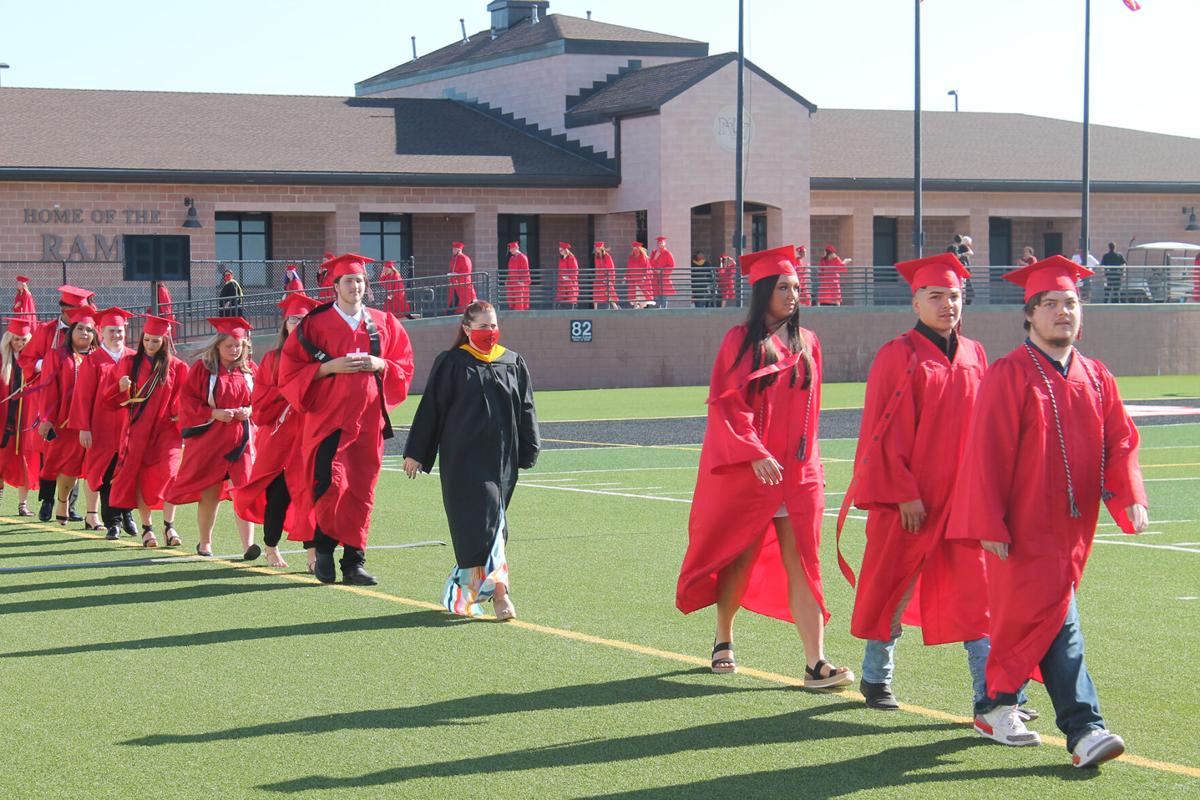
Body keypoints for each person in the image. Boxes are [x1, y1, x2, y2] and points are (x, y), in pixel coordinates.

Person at [949, 255, 1148, 768]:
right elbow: (985, 452)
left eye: (1071, 303)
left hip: (1074, 529)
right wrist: (987, 520)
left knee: (1033, 619)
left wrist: (1129, 495)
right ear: (1030, 314)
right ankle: (1085, 730)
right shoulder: (1010, 373)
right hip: (1021, 525)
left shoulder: (1096, 376)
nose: (1063, 312)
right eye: (1051, 304)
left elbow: (1121, 441)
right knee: (1058, 620)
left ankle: (995, 705)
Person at [841, 253, 1021, 716]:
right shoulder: (898, 354)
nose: (947, 305)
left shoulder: (975, 354)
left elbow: (987, 430)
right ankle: (876, 676)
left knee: (977, 598)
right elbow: (883, 431)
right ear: (915, 302)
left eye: (954, 296)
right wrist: (904, 492)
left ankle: (993, 695)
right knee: (893, 589)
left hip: (964, 502)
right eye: (936, 296)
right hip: (911, 503)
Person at [676, 245, 853, 689]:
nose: (792, 295)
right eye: (782, 288)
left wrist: (812, 465)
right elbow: (728, 404)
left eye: (796, 287)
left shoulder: (809, 342)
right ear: (762, 292)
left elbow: (812, 413)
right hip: (753, 471)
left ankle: (816, 663)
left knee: (806, 564)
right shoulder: (739, 341)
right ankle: (723, 637)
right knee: (740, 556)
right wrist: (753, 451)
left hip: (799, 473)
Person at [278, 253, 414, 585]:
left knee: (362, 489)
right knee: (331, 485)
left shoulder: (383, 322)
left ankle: (354, 561)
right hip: (329, 421)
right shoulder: (315, 324)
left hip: (368, 422)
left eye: (360, 281)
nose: (356, 286)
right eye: (349, 281)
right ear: (335, 286)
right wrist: (328, 367)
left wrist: (380, 364)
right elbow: (290, 370)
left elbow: (403, 365)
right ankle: (324, 549)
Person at [403, 300, 540, 619]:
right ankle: (500, 596)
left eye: (493, 325)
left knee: (492, 525)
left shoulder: (511, 361)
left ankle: (464, 592)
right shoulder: (453, 362)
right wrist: (416, 452)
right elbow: (432, 408)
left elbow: (526, 407)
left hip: (501, 461)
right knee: (483, 528)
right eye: (482, 326)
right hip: (463, 461)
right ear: (466, 328)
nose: (490, 332)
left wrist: (529, 447)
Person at [233, 292, 322, 570]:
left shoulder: (320, 358)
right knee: (278, 495)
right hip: (278, 438)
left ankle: (313, 554)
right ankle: (271, 547)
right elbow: (260, 406)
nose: (298, 324)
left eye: (304, 319)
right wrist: (291, 389)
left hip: (310, 436)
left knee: (310, 494)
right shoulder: (273, 359)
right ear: (285, 324)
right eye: (293, 319)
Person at [165, 316, 259, 561]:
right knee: (210, 492)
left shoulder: (249, 369)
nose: (234, 350)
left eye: (238, 345)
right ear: (217, 345)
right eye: (229, 345)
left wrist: (249, 410)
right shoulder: (203, 369)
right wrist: (213, 413)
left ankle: (249, 545)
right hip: (210, 439)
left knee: (243, 489)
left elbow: (260, 399)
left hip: (241, 440)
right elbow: (186, 402)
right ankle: (205, 542)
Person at [103, 314, 188, 548]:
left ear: (165, 341)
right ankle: (147, 528)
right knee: (139, 476)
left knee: (170, 473)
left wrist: (179, 411)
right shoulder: (130, 363)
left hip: (166, 430)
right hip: (138, 429)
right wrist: (120, 387)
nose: (150, 345)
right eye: (147, 340)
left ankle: (169, 525)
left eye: (155, 341)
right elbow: (108, 400)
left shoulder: (177, 366)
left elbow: (185, 396)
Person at [22, 284, 95, 522]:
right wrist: (46, 366)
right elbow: (26, 359)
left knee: (75, 454)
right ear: (63, 309)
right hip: (49, 401)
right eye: (74, 310)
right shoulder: (46, 331)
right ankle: (47, 500)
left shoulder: (88, 331)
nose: (79, 316)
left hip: (78, 404)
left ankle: (69, 505)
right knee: (50, 453)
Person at [73, 307, 137, 539]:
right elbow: (83, 397)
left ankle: (127, 514)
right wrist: (84, 427)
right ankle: (113, 521)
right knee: (106, 473)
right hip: (102, 426)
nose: (116, 335)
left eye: (119, 331)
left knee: (127, 472)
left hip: (130, 426)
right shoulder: (93, 361)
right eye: (111, 331)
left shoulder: (134, 357)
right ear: (101, 332)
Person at [36, 305, 98, 526]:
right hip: (66, 422)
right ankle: (57, 502)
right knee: (61, 465)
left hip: (95, 422)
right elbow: (48, 389)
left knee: (93, 466)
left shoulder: (100, 358)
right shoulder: (57, 356)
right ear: (71, 332)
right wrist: (47, 418)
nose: (84, 333)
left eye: (89, 330)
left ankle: (91, 513)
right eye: (80, 328)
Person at [0, 315, 36, 515]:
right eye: (16, 339)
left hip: (25, 418)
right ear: (9, 339)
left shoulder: (32, 361)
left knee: (25, 459)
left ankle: (23, 505)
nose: (20, 343)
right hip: (4, 416)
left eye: (24, 340)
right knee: (1, 458)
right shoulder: (1, 359)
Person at [448, 241, 477, 314]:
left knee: (464, 302)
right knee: (454, 302)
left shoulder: (464, 258)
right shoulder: (453, 259)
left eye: (455, 249)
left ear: (459, 250)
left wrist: (456, 274)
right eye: (453, 249)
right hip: (455, 285)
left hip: (463, 284)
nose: (453, 251)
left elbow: (466, 271)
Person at [650, 236, 676, 308]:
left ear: (664, 244)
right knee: (656, 299)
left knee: (664, 299)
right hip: (655, 278)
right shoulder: (654, 252)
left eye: (661, 243)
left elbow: (671, 265)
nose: (660, 245)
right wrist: (655, 258)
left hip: (664, 279)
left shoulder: (667, 253)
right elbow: (649, 264)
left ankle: (664, 312)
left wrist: (662, 271)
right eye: (659, 243)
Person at [593, 242, 619, 310]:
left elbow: (610, 267)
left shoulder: (607, 256)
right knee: (596, 292)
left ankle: (615, 306)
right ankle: (595, 309)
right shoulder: (596, 256)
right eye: (596, 248)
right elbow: (597, 267)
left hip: (606, 277)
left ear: (601, 248)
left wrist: (608, 278)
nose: (596, 249)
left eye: (597, 248)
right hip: (599, 277)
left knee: (608, 291)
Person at [505, 242, 531, 311]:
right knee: (511, 300)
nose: (511, 251)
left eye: (512, 249)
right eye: (510, 249)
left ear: (517, 248)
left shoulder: (523, 257)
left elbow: (526, 270)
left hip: (519, 283)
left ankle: (520, 315)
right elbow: (509, 271)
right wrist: (507, 280)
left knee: (519, 301)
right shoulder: (511, 258)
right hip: (511, 282)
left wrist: (523, 281)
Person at [625, 242, 651, 309]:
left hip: (641, 280)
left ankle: (641, 307)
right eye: (634, 249)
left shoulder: (644, 257)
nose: (635, 250)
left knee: (641, 294)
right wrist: (626, 276)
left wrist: (645, 276)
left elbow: (647, 268)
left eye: (636, 249)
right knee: (634, 294)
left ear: (639, 249)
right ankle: (636, 305)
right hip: (633, 279)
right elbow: (628, 268)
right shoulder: (631, 258)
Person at [555, 242, 580, 310]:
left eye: (561, 250)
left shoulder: (572, 258)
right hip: (562, 283)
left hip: (570, 283)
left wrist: (568, 277)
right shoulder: (562, 259)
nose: (560, 252)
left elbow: (575, 271)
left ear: (565, 250)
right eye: (559, 250)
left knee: (570, 300)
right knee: (561, 299)